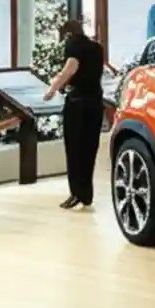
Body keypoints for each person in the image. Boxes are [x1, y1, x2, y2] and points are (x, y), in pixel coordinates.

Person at [44, 19, 105, 209]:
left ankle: (76, 193)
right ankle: (86, 194)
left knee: (75, 149)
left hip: (78, 103)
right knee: (89, 149)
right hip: (95, 102)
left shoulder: (74, 46)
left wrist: (52, 89)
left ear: (68, 34)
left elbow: (70, 69)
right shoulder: (97, 48)